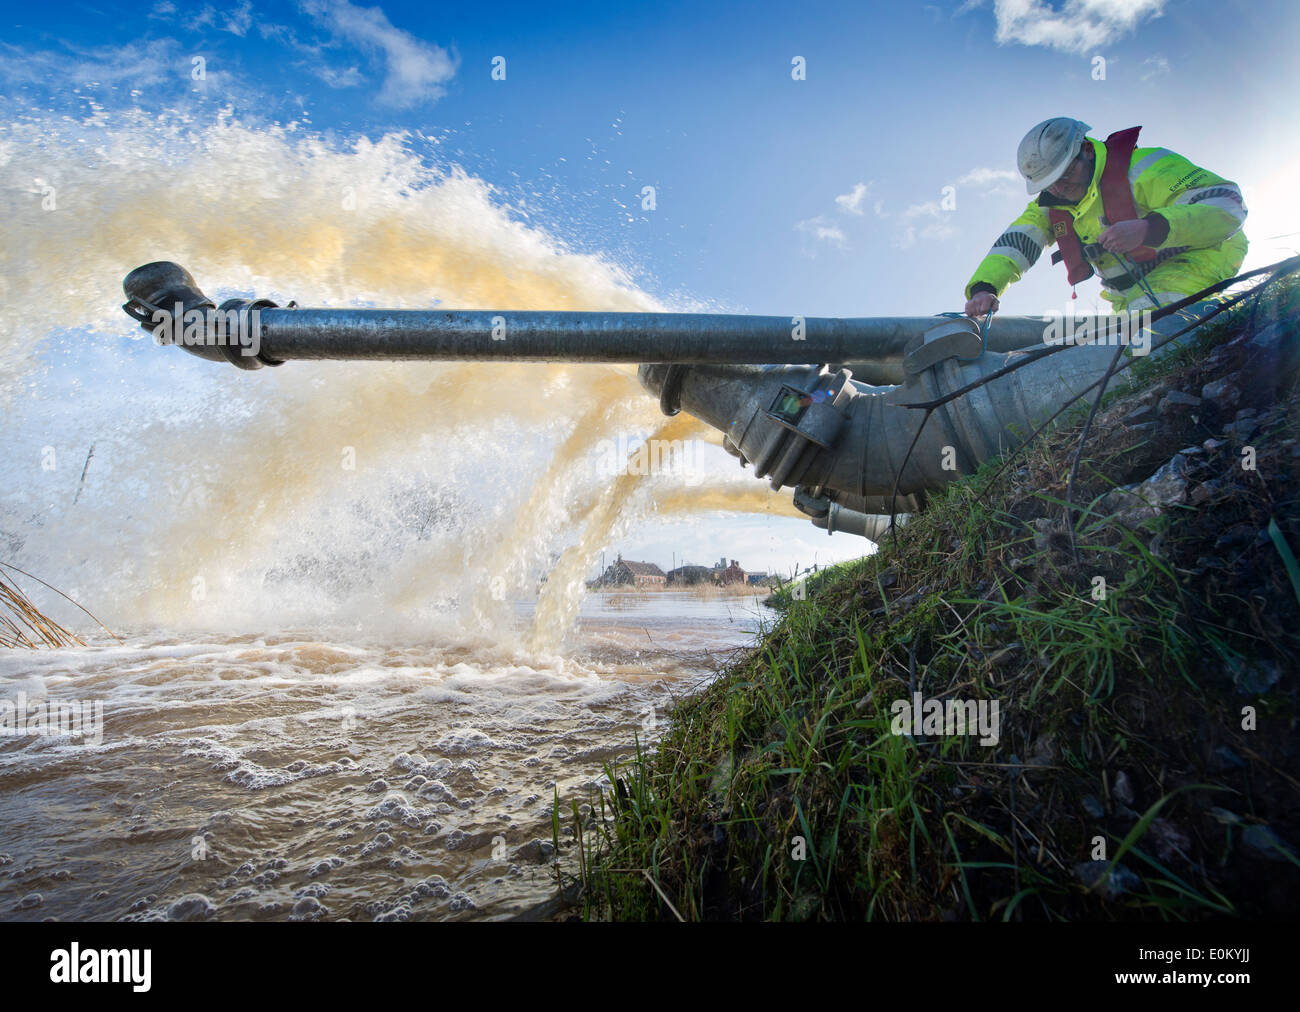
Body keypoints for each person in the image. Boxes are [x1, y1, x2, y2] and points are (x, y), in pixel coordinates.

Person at [963, 118, 1248, 349]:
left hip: (1199, 256)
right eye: (1049, 184)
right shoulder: (1050, 206)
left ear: (1086, 150)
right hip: (1127, 292)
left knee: (1145, 340)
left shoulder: (1144, 167)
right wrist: (985, 288)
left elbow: (1226, 205)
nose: (1059, 189)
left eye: (1064, 175)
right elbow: (1016, 243)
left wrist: (1150, 229)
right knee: (1123, 345)